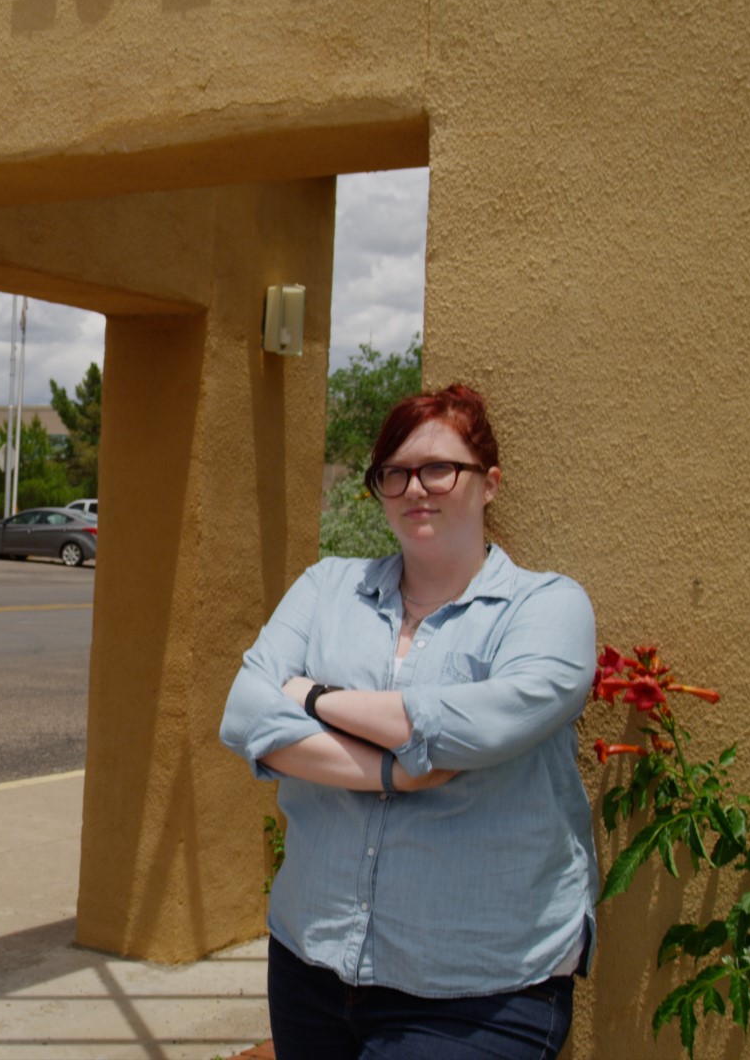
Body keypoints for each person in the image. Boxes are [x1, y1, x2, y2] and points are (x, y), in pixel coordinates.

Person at [219, 384, 597, 1059]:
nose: (414, 488)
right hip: (310, 963)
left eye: (438, 469)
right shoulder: (327, 588)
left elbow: (479, 727)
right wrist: (393, 771)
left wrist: (314, 697)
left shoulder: (546, 607)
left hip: (478, 992)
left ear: (490, 484)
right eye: (393, 473)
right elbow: (245, 711)